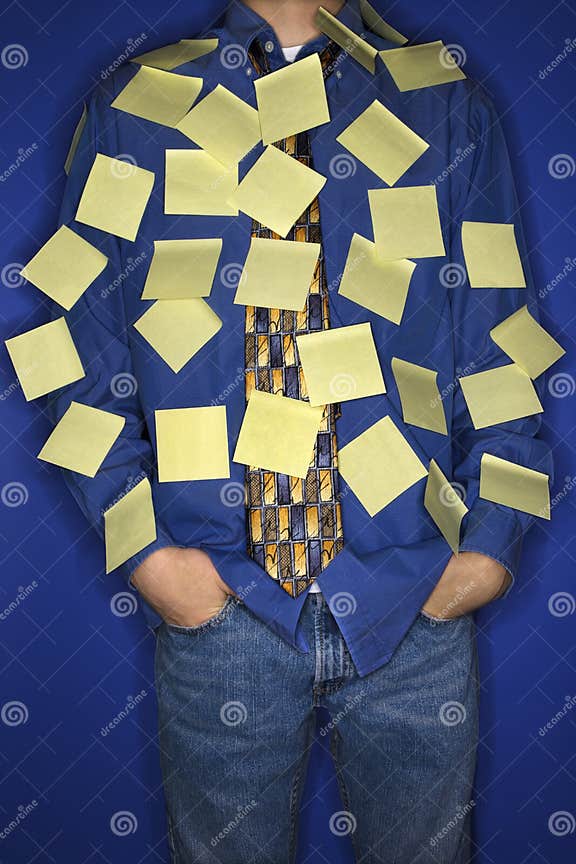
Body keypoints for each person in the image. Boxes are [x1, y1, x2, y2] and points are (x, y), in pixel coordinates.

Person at [48, 0, 552, 860]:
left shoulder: (441, 99)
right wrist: (148, 556)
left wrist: (492, 545)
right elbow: (77, 338)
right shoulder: (135, 102)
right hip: (220, 598)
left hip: (416, 591)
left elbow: (499, 328)